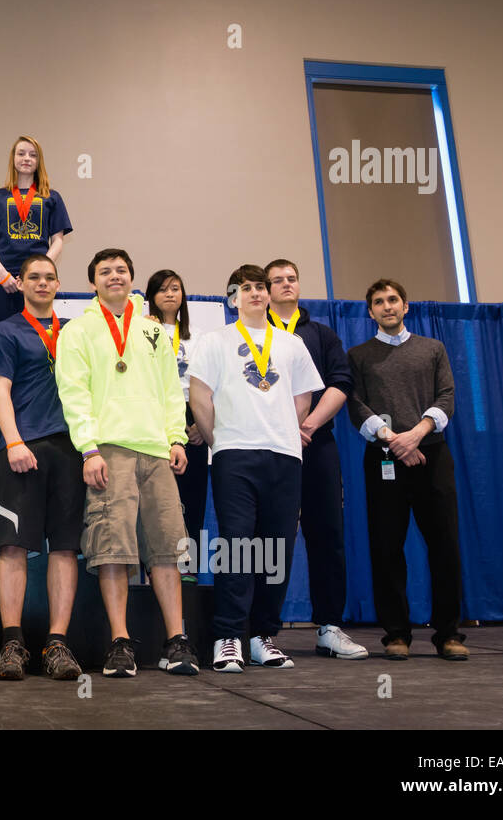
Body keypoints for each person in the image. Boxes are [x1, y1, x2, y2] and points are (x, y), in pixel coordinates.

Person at [56, 250, 198, 677]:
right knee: (111, 547)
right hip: (109, 449)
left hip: (156, 449)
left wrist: (176, 436)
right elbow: (73, 391)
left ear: (132, 279)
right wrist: (89, 448)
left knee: (168, 547)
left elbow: (171, 389)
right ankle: (120, 642)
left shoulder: (153, 331)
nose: (114, 276)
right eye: (105, 271)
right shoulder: (77, 331)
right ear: (93, 282)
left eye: (121, 270)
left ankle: (176, 641)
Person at [188, 264, 323, 674]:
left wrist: (280, 430)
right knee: (237, 545)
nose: (257, 293)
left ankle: (264, 635)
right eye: (246, 288)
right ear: (233, 298)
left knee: (277, 547)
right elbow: (200, 397)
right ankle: (228, 636)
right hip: (234, 454)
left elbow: (302, 399)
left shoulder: (292, 344)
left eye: (261, 287)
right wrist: (220, 441)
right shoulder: (215, 341)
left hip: (283, 455)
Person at [347, 278, 467, 662]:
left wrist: (415, 435)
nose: (387, 306)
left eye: (393, 299)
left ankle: (448, 634)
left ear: (406, 305)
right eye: (379, 302)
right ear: (370, 312)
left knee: (445, 546)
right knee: (386, 549)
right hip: (384, 459)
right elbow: (355, 405)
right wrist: (393, 440)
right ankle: (396, 634)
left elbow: (446, 397)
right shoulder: (359, 355)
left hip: (431, 456)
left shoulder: (433, 349)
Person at [0, 253, 84, 680]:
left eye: (49, 278)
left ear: (58, 284)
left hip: (72, 450)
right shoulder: (6, 332)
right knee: (12, 546)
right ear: (20, 284)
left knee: (64, 547)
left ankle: (57, 645)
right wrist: (14, 442)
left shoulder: (77, 334)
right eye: (34, 278)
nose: (42, 283)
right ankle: (12, 644)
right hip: (22, 450)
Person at [264, 259, 368, 661]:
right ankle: (262, 630)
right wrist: (285, 432)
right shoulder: (253, 334)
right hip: (271, 447)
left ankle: (329, 626)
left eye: (292, 278)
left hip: (316, 444)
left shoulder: (320, 334)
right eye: (277, 280)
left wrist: (306, 427)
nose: (286, 284)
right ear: (265, 289)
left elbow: (341, 383)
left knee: (327, 536)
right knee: (272, 539)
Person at [0, 136, 72, 325]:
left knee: (38, 334)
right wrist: (1, 273)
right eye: (21, 153)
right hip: (3, 280)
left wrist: (39, 272)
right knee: (3, 334)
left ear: (39, 161)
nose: (27, 158)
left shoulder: (52, 198)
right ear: (13, 158)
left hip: (37, 281)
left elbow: (58, 240)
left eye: (33, 155)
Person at [147, 269, 208, 566]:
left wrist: (200, 425)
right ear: (151, 297)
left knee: (192, 497)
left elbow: (212, 382)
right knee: (157, 498)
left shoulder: (199, 337)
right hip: (154, 414)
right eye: (162, 289)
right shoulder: (142, 330)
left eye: (175, 288)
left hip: (193, 412)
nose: (170, 294)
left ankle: (188, 567)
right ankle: (153, 568)